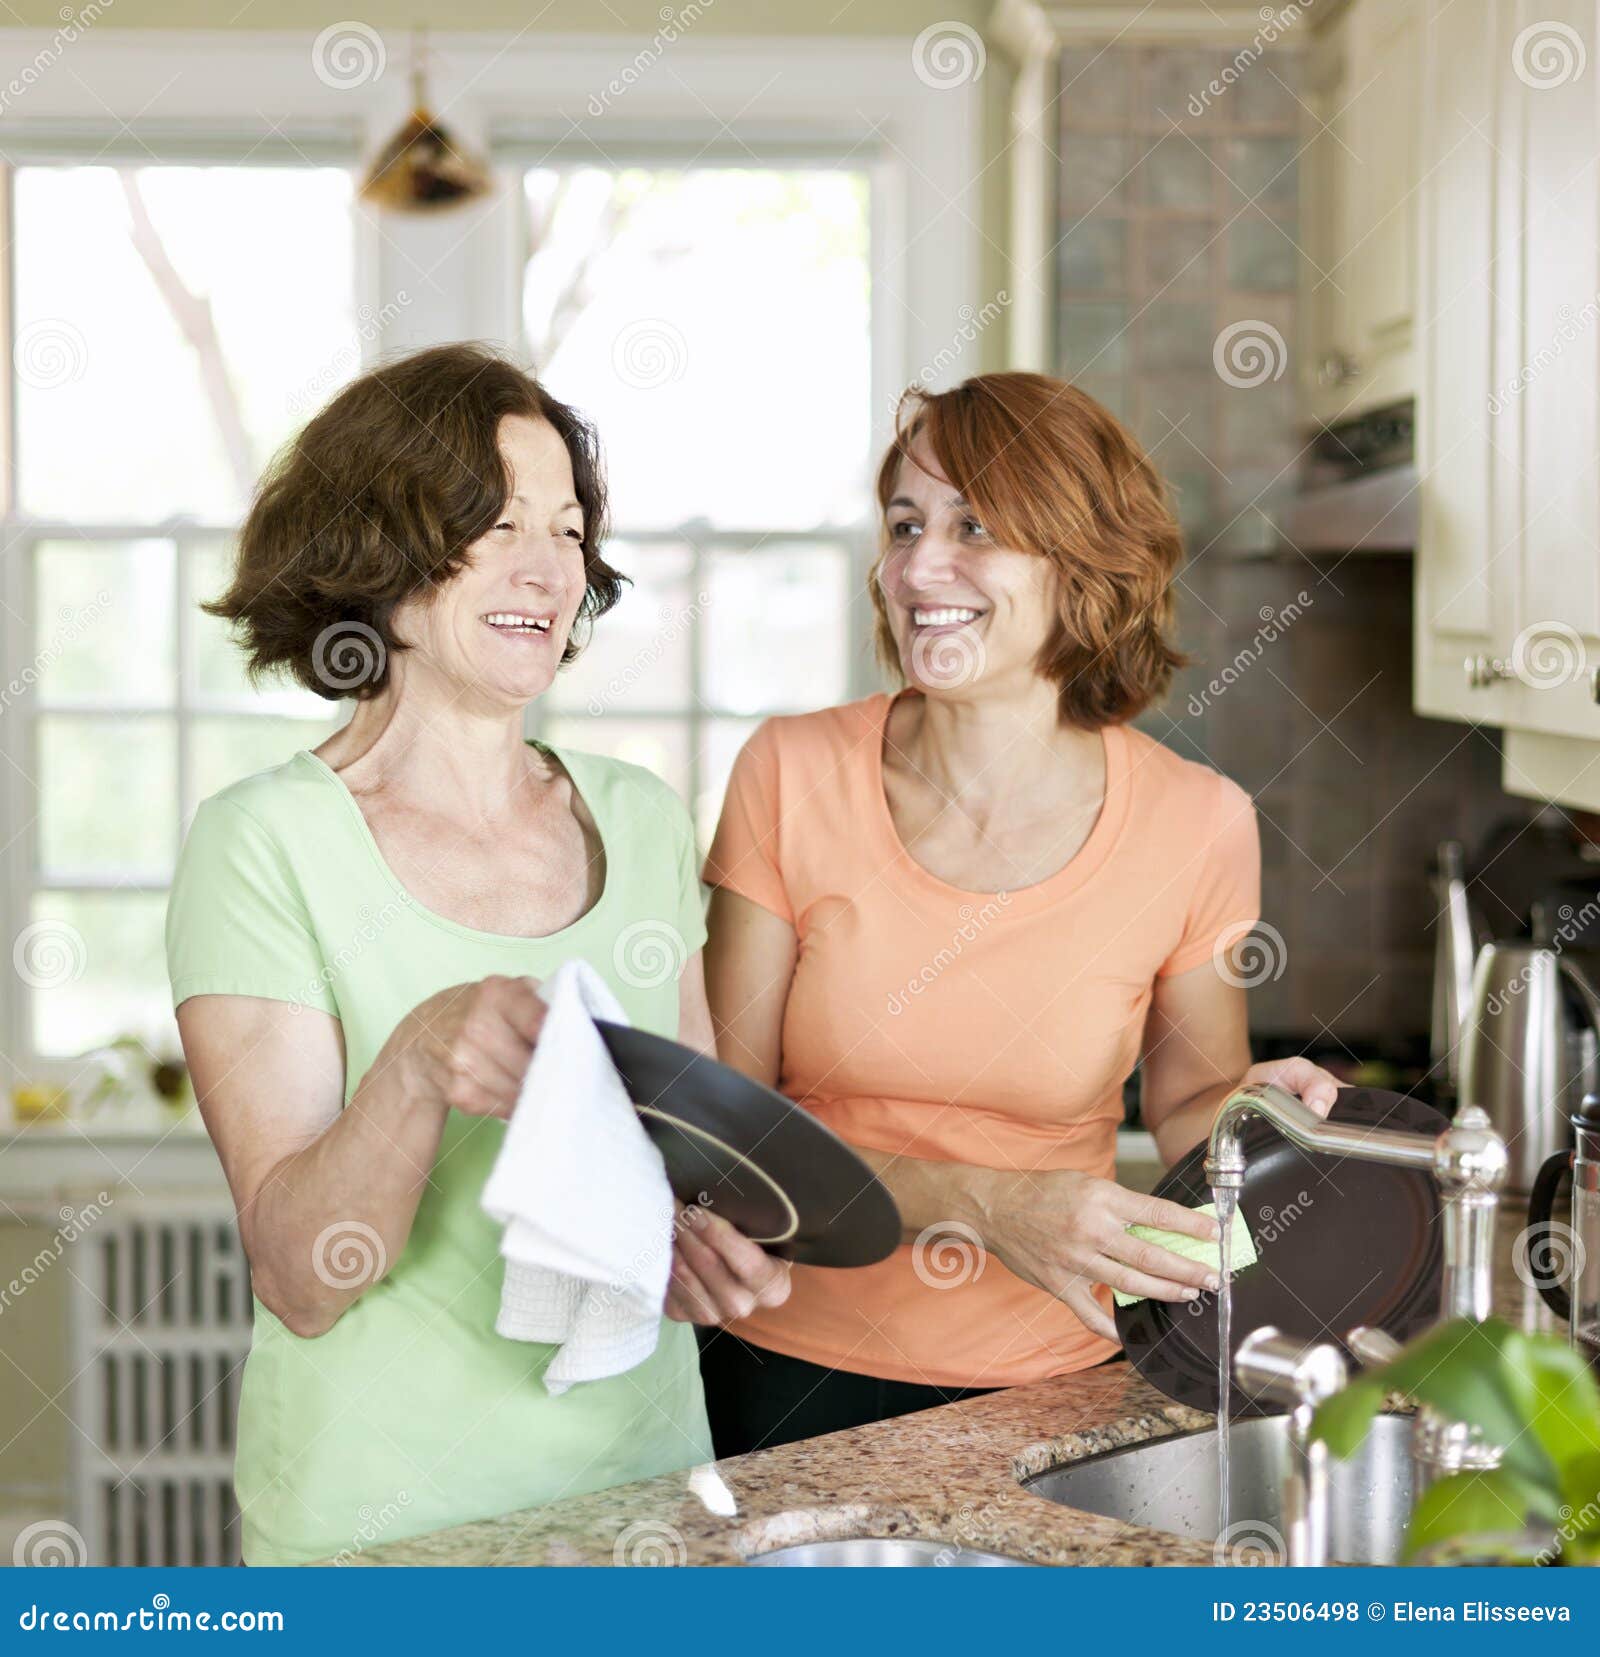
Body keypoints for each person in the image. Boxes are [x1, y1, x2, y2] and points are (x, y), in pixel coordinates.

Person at [166, 344, 785, 1565]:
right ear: (374, 552)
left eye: (565, 530)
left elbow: (699, 1140)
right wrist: (418, 1058)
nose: (548, 568)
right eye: (496, 525)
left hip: (648, 1502)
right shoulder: (265, 843)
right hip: (382, 1535)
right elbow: (303, 1274)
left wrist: (701, 1238)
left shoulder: (641, 816)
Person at [698, 372, 1340, 1456]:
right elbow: (724, 1133)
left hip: (1056, 1383)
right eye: (904, 524)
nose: (916, 565)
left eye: (974, 526)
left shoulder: (1199, 823)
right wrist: (988, 1203)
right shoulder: (789, 770)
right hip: (782, 1370)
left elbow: (1187, 1101)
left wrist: (1252, 1121)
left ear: (1082, 562)